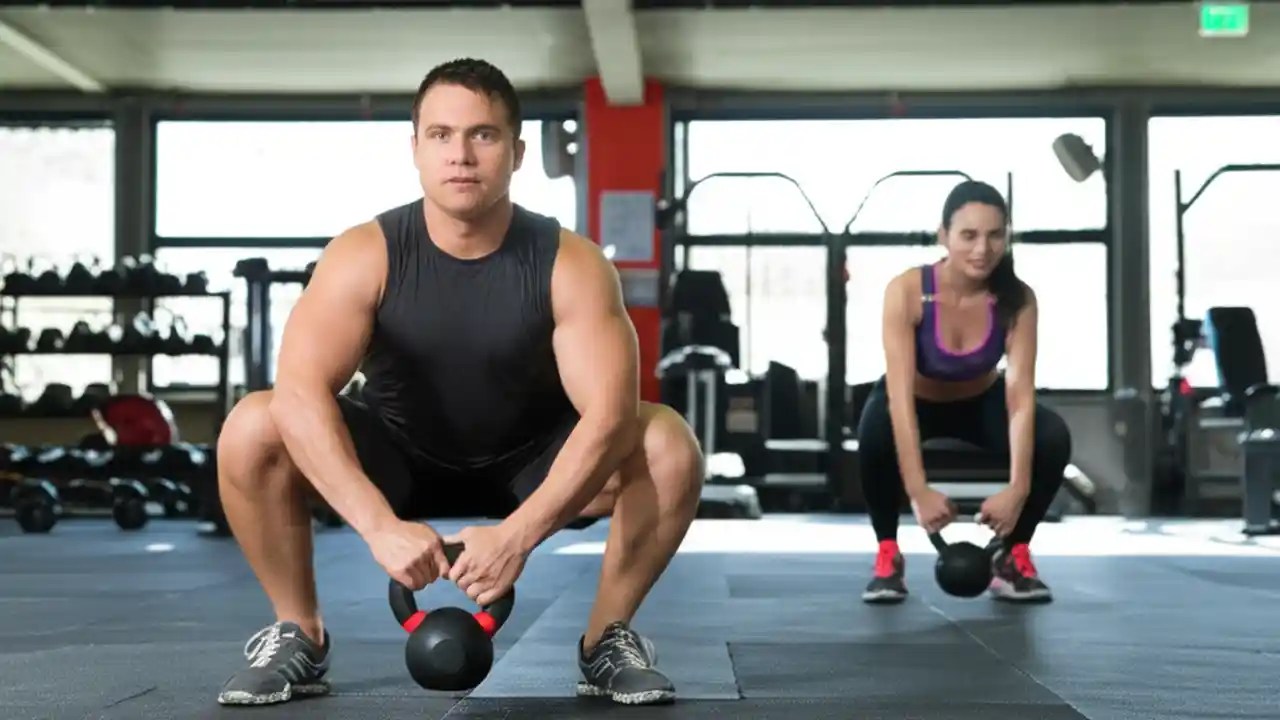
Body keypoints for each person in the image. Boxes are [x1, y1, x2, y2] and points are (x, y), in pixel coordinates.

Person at [213, 58, 704, 708]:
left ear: (517, 151)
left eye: (483, 135)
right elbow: (300, 393)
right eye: (441, 135)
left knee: (667, 441)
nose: (461, 155)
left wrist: (518, 537)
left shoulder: (572, 263)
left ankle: (606, 639)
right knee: (255, 423)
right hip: (396, 457)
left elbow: (610, 416)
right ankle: (297, 632)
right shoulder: (366, 254)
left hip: (535, 462)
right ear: (414, 148)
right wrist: (379, 526)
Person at [857, 179, 1072, 605]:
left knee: (1053, 435)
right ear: (944, 236)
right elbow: (899, 396)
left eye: (995, 235)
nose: (982, 249)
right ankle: (887, 554)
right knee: (874, 431)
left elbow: (1020, 398)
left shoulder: (1017, 298)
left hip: (980, 402)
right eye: (968, 236)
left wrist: (1017, 489)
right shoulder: (907, 291)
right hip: (915, 400)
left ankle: (1013, 556)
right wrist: (918, 491)